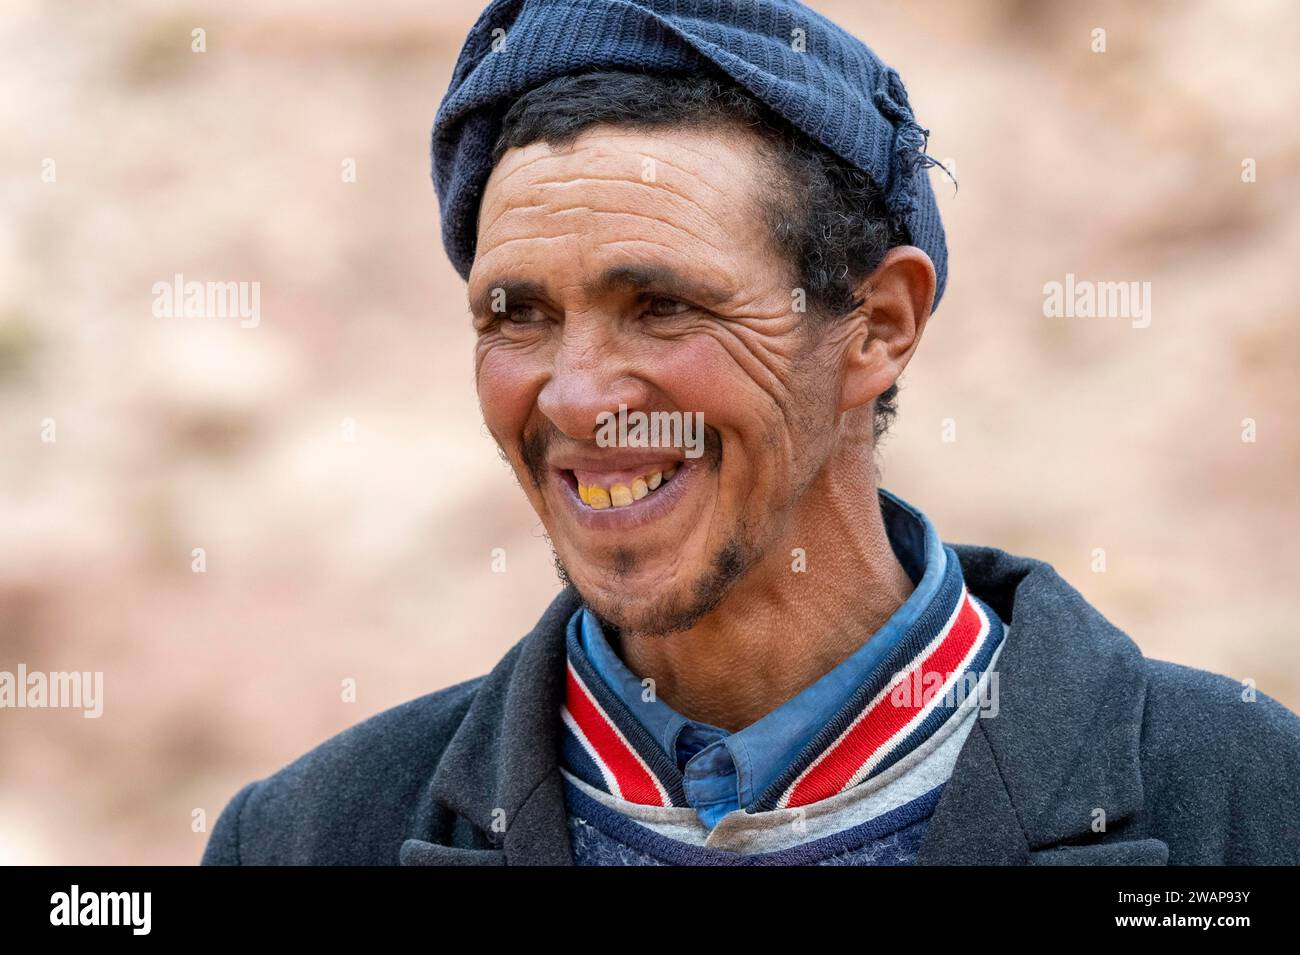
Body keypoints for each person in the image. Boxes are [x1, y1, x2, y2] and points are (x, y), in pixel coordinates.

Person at [202, 0, 1300, 866]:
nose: (577, 398)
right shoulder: (305, 836)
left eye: (664, 306)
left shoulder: (1245, 800)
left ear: (877, 325)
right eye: (517, 314)